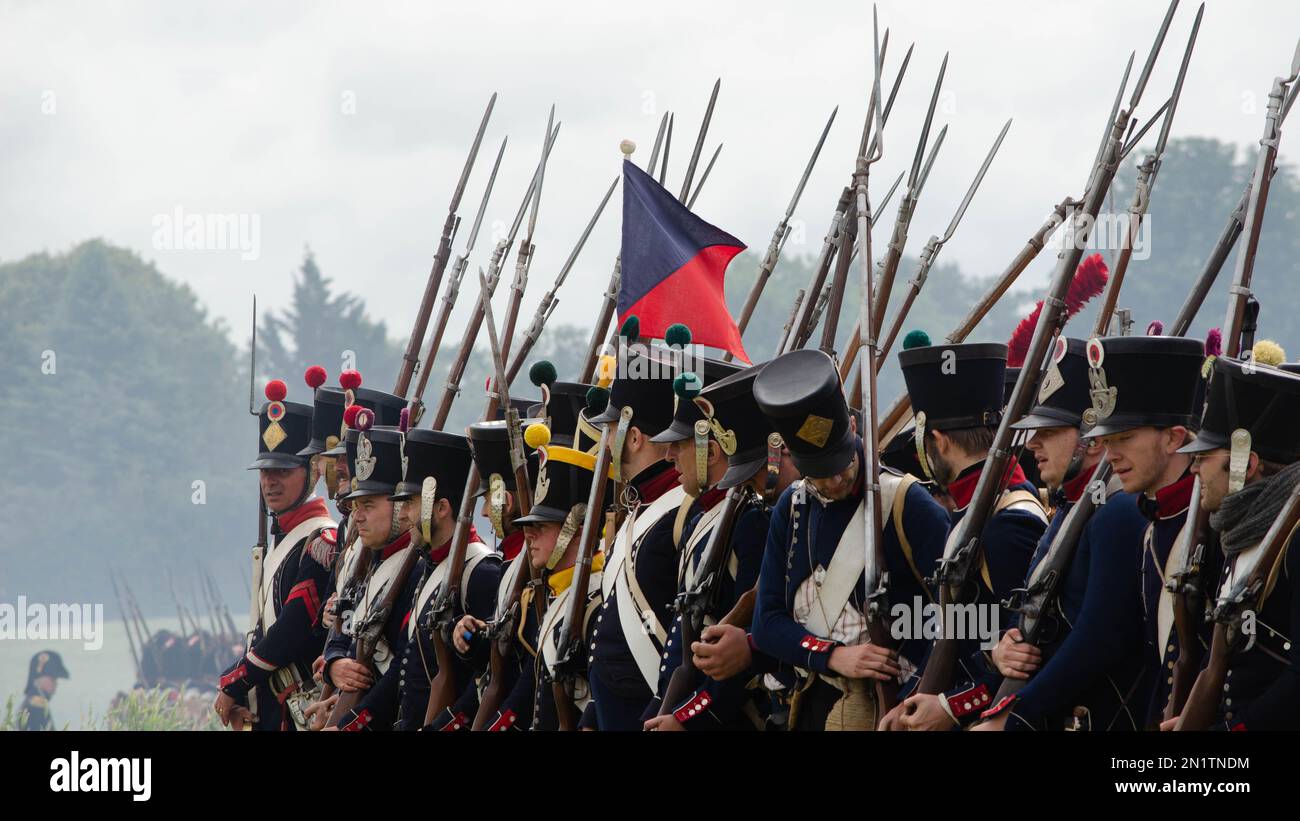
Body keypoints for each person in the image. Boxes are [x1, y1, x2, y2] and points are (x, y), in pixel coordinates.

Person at [751, 348, 953, 731]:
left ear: (855, 430)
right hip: (812, 702)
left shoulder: (905, 502)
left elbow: (954, 616)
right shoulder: (792, 509)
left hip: (898, 704)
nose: (836, 480)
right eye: (820, 472)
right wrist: (833, 655)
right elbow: (767, 625)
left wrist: (918, 695)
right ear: (793, 456)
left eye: (841, 463)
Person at [973, 338, 1151, 731]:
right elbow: (1039, 622)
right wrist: (1003, 649)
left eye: (1050, 431)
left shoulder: (1116, 511)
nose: (1033, 443)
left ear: (1091, 440)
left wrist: (1012, 717)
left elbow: (1098, 638)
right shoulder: (1074, 506)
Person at [887, 338, 1049, 730]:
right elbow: (960, 630)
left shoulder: (1008, 523)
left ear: (938, 441)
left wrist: (950, 706)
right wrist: (914, 702)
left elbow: (1023, 654)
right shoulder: (976, 510)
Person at [1085, 334, 1208, 728]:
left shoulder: (1209, 527)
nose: (1111, 454)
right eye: (1106, 441)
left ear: (1173, 438)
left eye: (1123, 438)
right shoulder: (1154, 524)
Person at [1176, 350, 1300, 729]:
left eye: (1205, 457)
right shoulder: (1241, 534)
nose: (1194, 467)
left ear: (1246, 465)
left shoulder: (1292, 540)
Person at [583, 320, 687, 729]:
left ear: (634, 436)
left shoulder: (679, 514)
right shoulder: (642, 510)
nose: (606, 444)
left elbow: (683, 639)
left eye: (611, 431)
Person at [216, 379, 337, 731]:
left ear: (313, 471)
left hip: (306, 707)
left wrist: (236, 681)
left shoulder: (321, 541)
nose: (270, 482)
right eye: (266, 472)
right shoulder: (282, 542)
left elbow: (291, 631)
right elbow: (263, 633)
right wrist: (239, 690)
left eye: (283, 471)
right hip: (274, 708)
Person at [322, 416, 420, 731]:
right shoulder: (371, 559)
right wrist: (335, 664)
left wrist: (352, 721)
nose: (358, 517)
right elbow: (345, 620)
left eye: (369, 505)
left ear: (401, 507)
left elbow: (406, 667)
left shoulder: (415, 567)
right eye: (356, 506)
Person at [19, 650, 69, 731]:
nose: (56, 684)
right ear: (38, 680)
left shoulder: (34, 704)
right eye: (52, 679)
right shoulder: (36, 708)